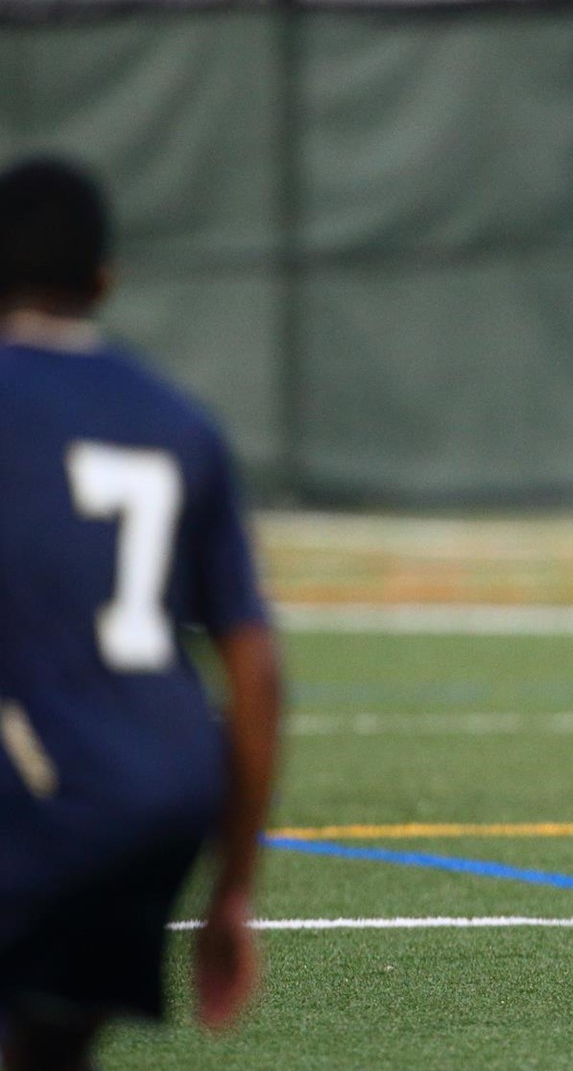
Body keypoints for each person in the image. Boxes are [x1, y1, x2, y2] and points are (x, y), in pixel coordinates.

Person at [0, 156, 282, 1068]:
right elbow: (255, 670)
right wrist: (233, 887)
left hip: (41, 788)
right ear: (104, 281)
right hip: (158, 801)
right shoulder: (179, 422)